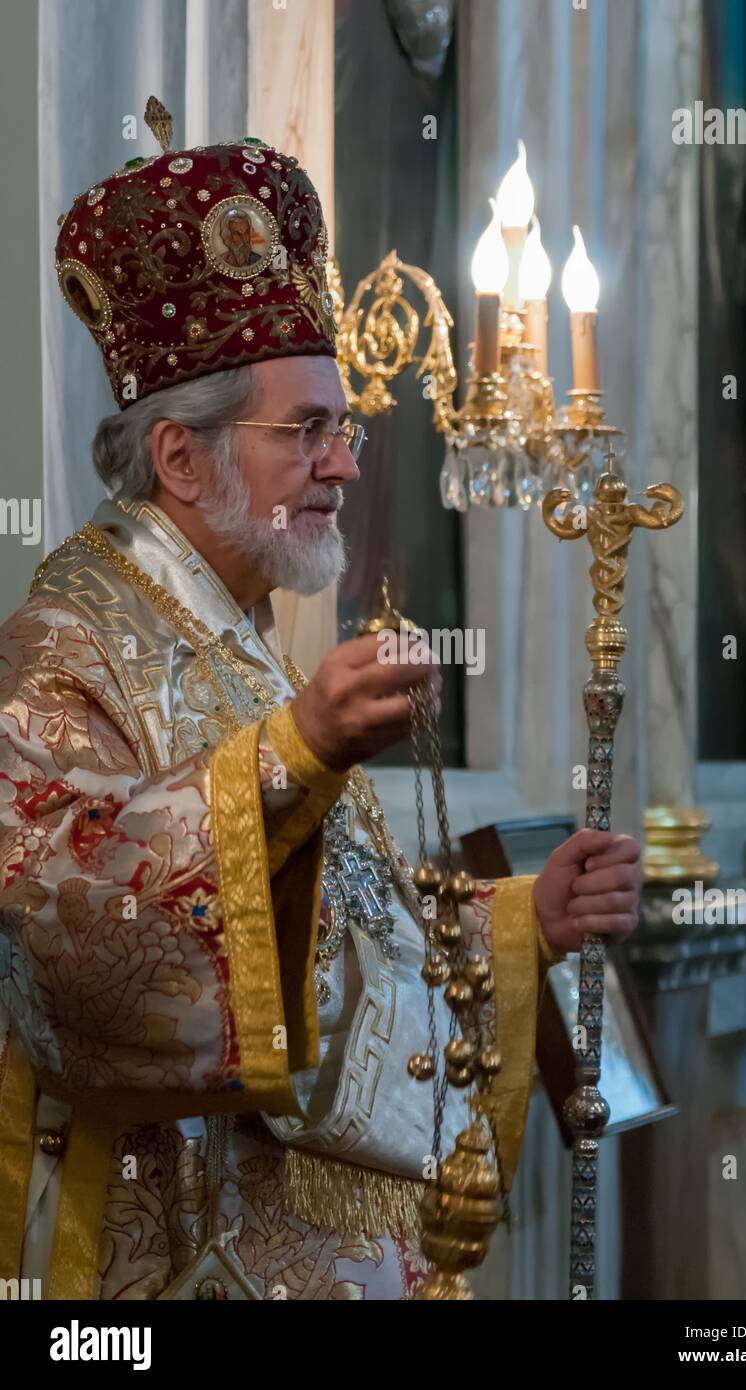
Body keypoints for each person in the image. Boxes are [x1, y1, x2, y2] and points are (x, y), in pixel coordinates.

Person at [0, 119, 640, 1301]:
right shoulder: (64, 641)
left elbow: (335, 932)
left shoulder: (232, 633)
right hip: (161, 1249)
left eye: (341, 427)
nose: (344, 465)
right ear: (180, 460)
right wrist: (296, 750)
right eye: (307, 431)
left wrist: (519, 924)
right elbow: (66, 941)